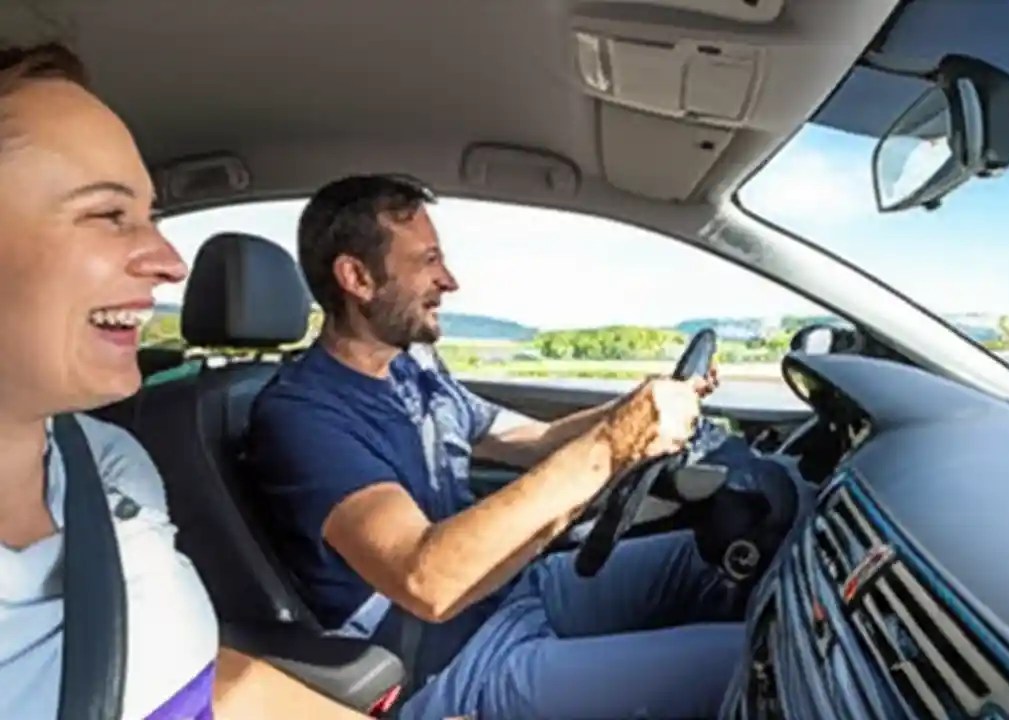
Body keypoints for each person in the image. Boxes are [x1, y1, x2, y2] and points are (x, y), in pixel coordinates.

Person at [245, 174, 746, 718]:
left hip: (509, 590)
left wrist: (637, 408)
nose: (450, 280)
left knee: (715, 556)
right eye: (429, 261)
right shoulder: (303, 416)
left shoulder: (412, 371)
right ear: (358, 278)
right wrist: (613, 443)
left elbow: (536, 440)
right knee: (748, 663)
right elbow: (425, 579)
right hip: (451, 663)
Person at [0, 42, 375, 719]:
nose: (171, 261)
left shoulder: (107, 461)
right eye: (108, 214)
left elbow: (192, 676)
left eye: (150, 216)